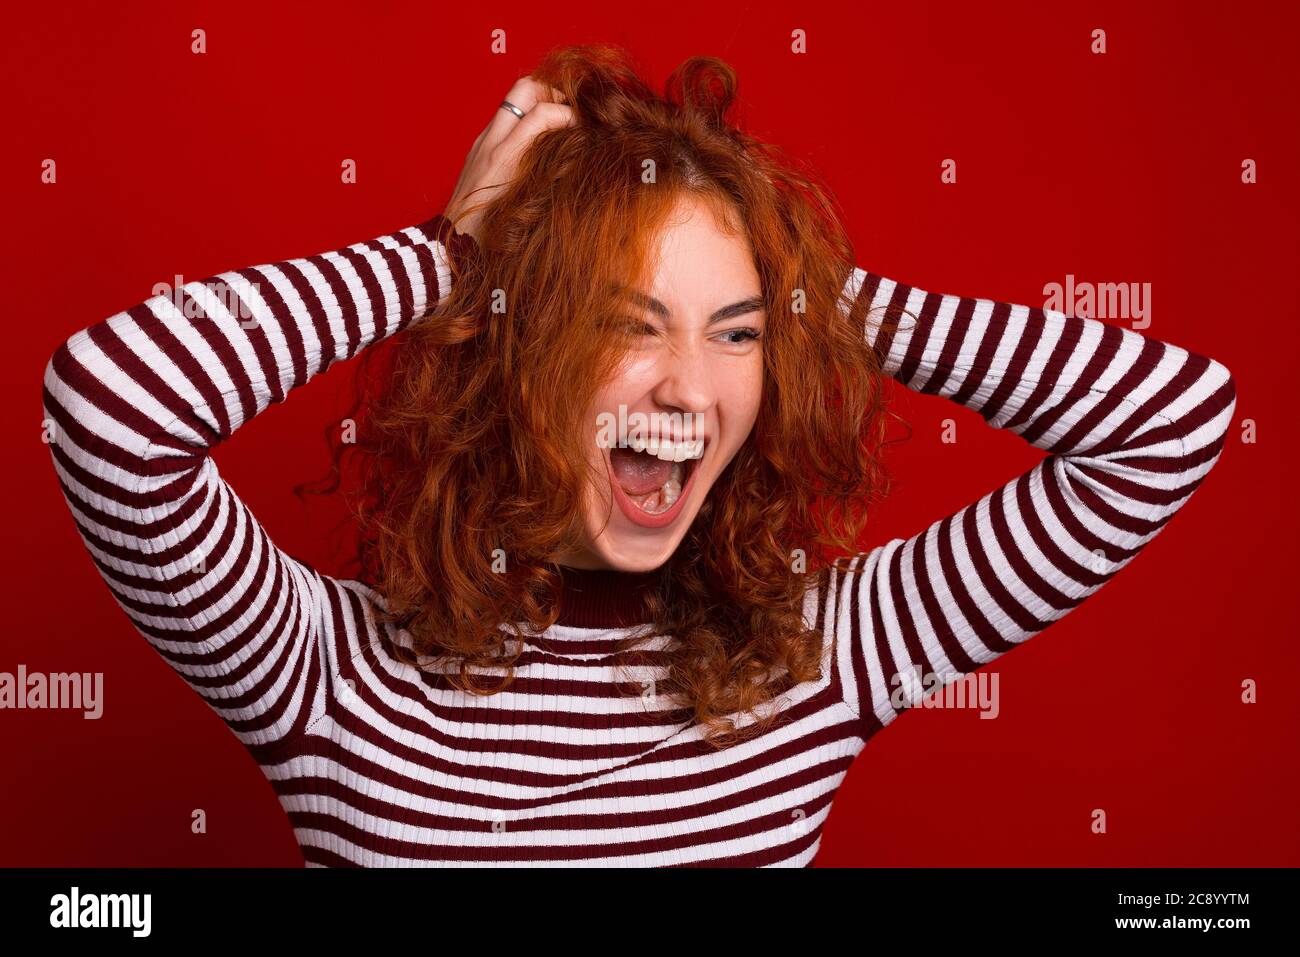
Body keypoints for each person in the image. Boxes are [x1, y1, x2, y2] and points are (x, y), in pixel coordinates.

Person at [41, 44, 1236, 866]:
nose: (686, 386)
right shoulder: (322, 673)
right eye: (625, 324)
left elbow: (1169, 421)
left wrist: (803, 286)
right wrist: (451, 258)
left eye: (734, 335)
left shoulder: (827, 658)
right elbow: (108, 411)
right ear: (513, 355)